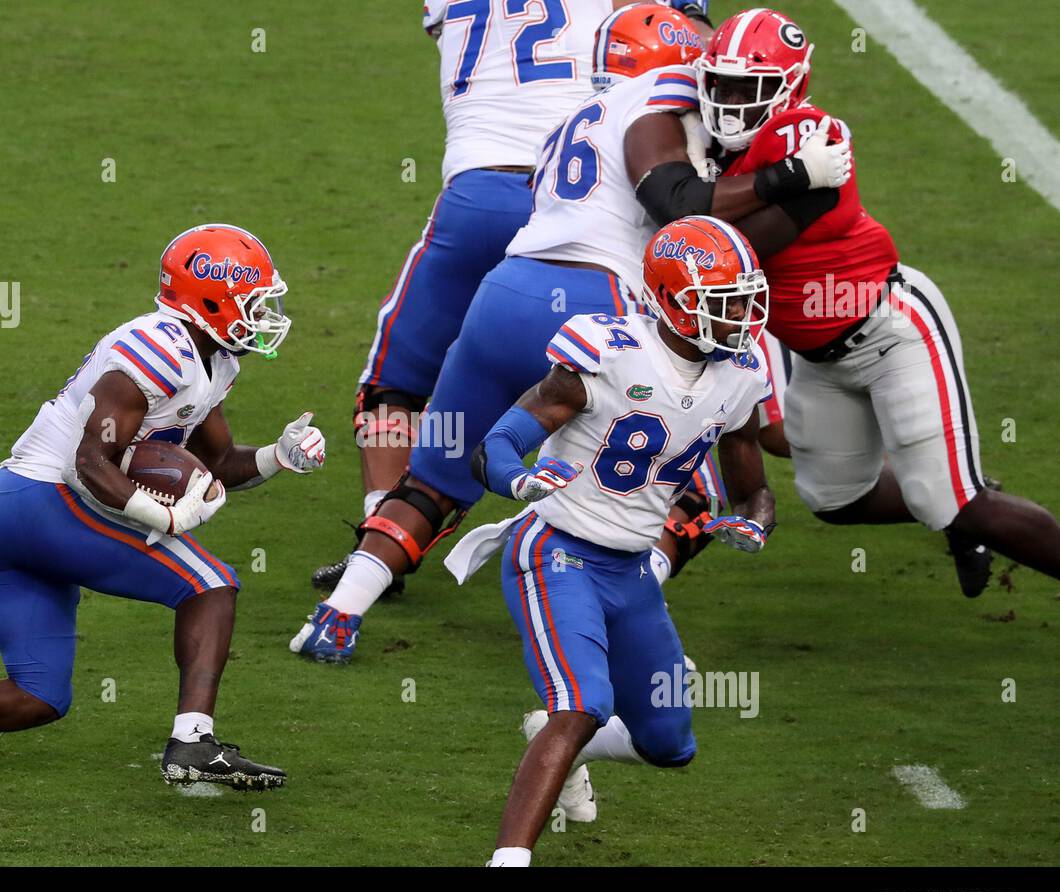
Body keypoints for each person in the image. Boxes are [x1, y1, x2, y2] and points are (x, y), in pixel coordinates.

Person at [293, 2, 845, 664]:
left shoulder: (575, 118)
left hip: (504, 295)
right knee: (680, 482)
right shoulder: (661, 103)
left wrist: (799, 194)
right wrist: (793, 178)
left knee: (431, 484)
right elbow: (680, 212)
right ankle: (627, 620)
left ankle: (336, 616)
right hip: (598, 309)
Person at [0, 224, 325, 794]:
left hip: (14, 514)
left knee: (40, 695)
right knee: (209, 585)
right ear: (210, 295)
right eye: (253, 299)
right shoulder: (158, 349)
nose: (264, 313)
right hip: (41, 500)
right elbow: (88, 461)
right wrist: (161, 517)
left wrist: (279, 456)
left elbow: (220, 467)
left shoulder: (211, 362)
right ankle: (193, 743)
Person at [442, 216, 776, 866]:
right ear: (676, 302)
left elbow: (751, 487)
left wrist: (752, 524)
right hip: (554, 550)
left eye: (745, 297)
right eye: (725, 301)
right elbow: (496, 446)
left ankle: (563, 744)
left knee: (669, 743)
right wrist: (521, 482)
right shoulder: (608, 352)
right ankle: (508, 859)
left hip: (631, 572)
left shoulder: (740, 374)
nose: (742, 314)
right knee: (581, 701)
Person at [697, 8, 1060, 595]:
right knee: (836, 498)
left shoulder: (808, 136)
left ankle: (966, 509)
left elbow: (729, 241)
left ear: (788, 87)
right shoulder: (709, 144)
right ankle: (964, 502)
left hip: (890, 328)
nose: (733, 101)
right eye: (723, 85)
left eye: (750, 87)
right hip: (818, 356)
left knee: (951, 499)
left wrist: (710, 198)